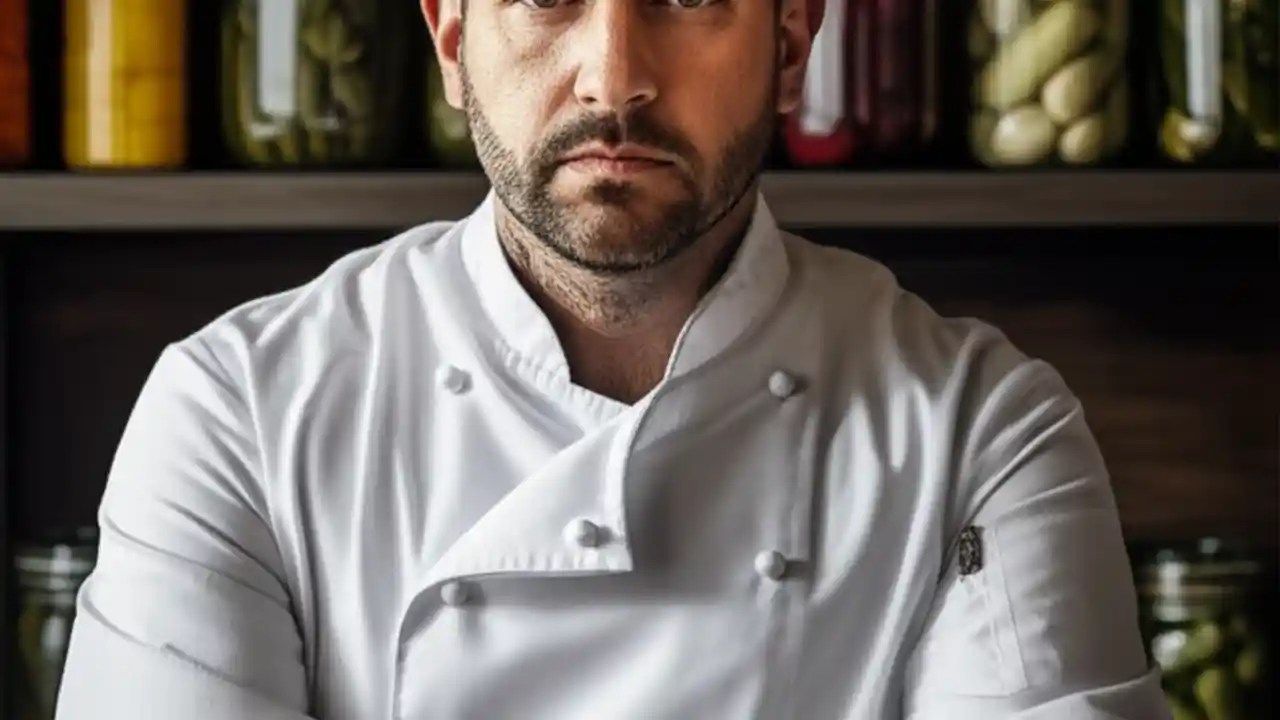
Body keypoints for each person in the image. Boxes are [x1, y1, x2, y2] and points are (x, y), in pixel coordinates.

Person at [55, 1, 1172, 718]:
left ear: (789, 48)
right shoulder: (237, 413)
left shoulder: (982, 430)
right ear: (452, 41)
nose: (613, 76)